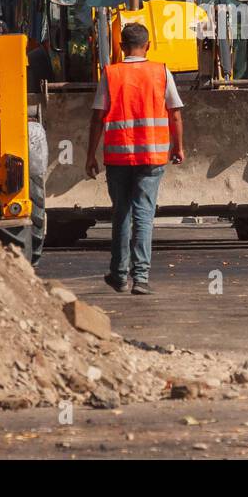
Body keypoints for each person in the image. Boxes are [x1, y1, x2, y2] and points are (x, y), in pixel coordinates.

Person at [85, 22, 185, 295]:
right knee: (144, 214)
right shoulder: (161, 71)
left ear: (120, 47)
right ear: (148, 46)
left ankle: (118, 275)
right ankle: (140, 278)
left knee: (121, 213)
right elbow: (174, 112)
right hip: (152, 156)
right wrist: (178, 147)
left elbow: (98, 116)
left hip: (118, 157)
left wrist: (90, 155)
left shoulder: (111, 73)